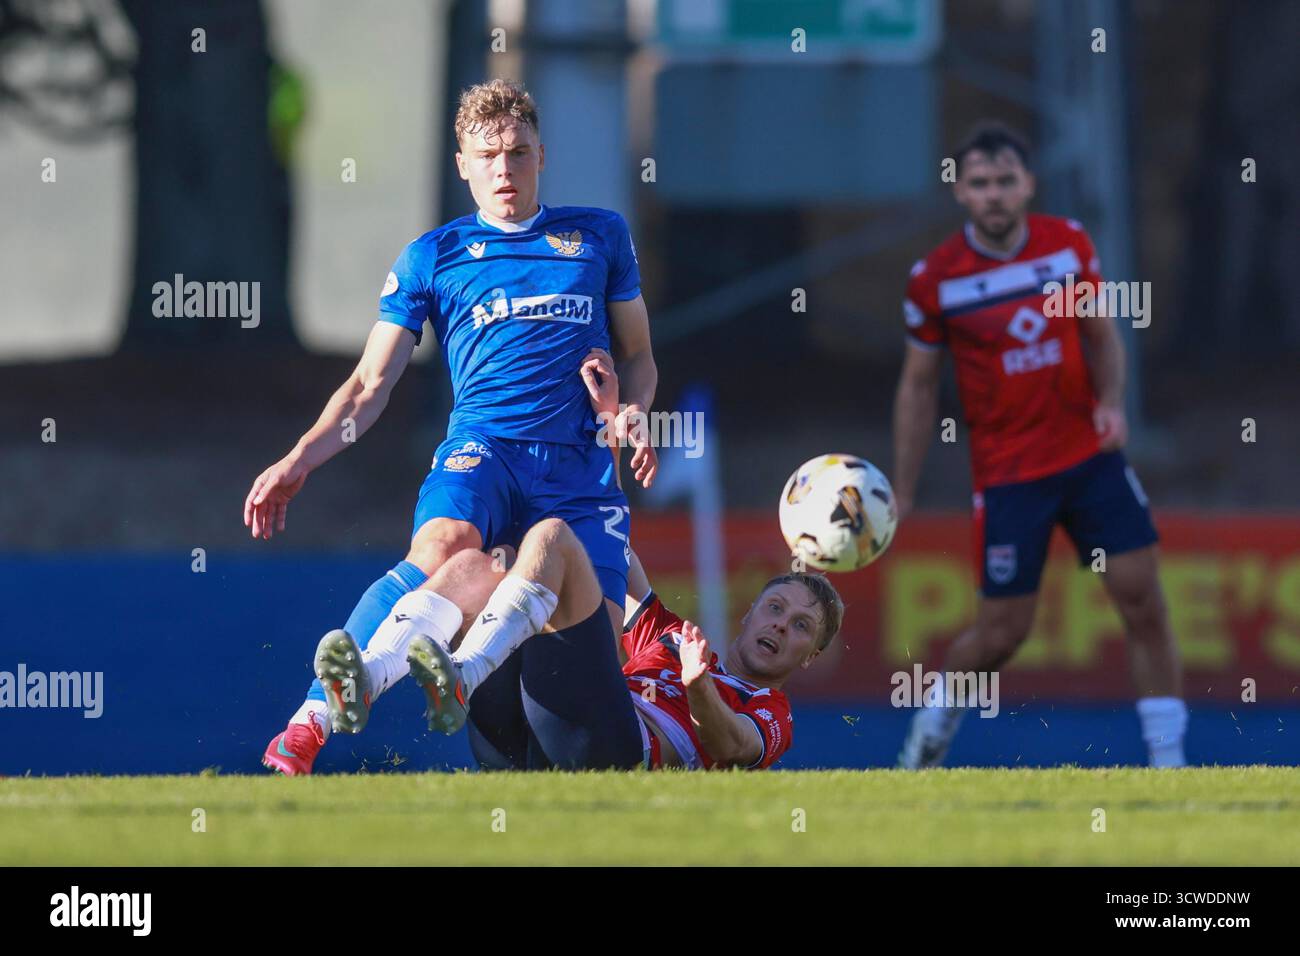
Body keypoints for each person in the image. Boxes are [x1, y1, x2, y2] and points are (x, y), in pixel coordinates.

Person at [255, 78, 658, 776]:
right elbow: (369, 384)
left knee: (576, 632)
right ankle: (313, 719)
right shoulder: (433, 256)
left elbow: (641, 356)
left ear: (542, 156)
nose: (505, 169)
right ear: (462, 164)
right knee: (446, 547)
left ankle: (464, 683)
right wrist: (301, 459)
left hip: (577, 469)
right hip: (485, 450)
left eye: (519, 153)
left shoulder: (598, 236)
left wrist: (631, 415)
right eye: (489, 155)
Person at [892, 122, 1185, 768]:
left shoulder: (1067, 246)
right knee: (1002, 635)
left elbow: (1102, 336)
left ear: (1028, 185)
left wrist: (1110, 403)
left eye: (1005, 181)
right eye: (980, 183)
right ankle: (930, 732)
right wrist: (905, 487)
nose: (993, 194)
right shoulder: (936, 279)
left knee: (1142, 594)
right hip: (1009, 476)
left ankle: (1169, 765)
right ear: (961, 192)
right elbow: (917, 387)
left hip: (1088, 456)